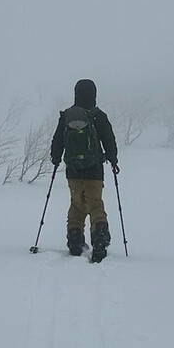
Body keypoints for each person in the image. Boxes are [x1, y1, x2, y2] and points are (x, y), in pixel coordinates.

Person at [50, 79, 119, 261]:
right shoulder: (98, 115)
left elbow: (57, 140)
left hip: (73, 171)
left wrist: (55, 158)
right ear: (94, 94)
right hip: (95, 171)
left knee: (77, 204)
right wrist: (113, 159)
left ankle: (75, 239)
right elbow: (109, 139)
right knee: (95, 205)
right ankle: (99, 239)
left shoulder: (67, 116)